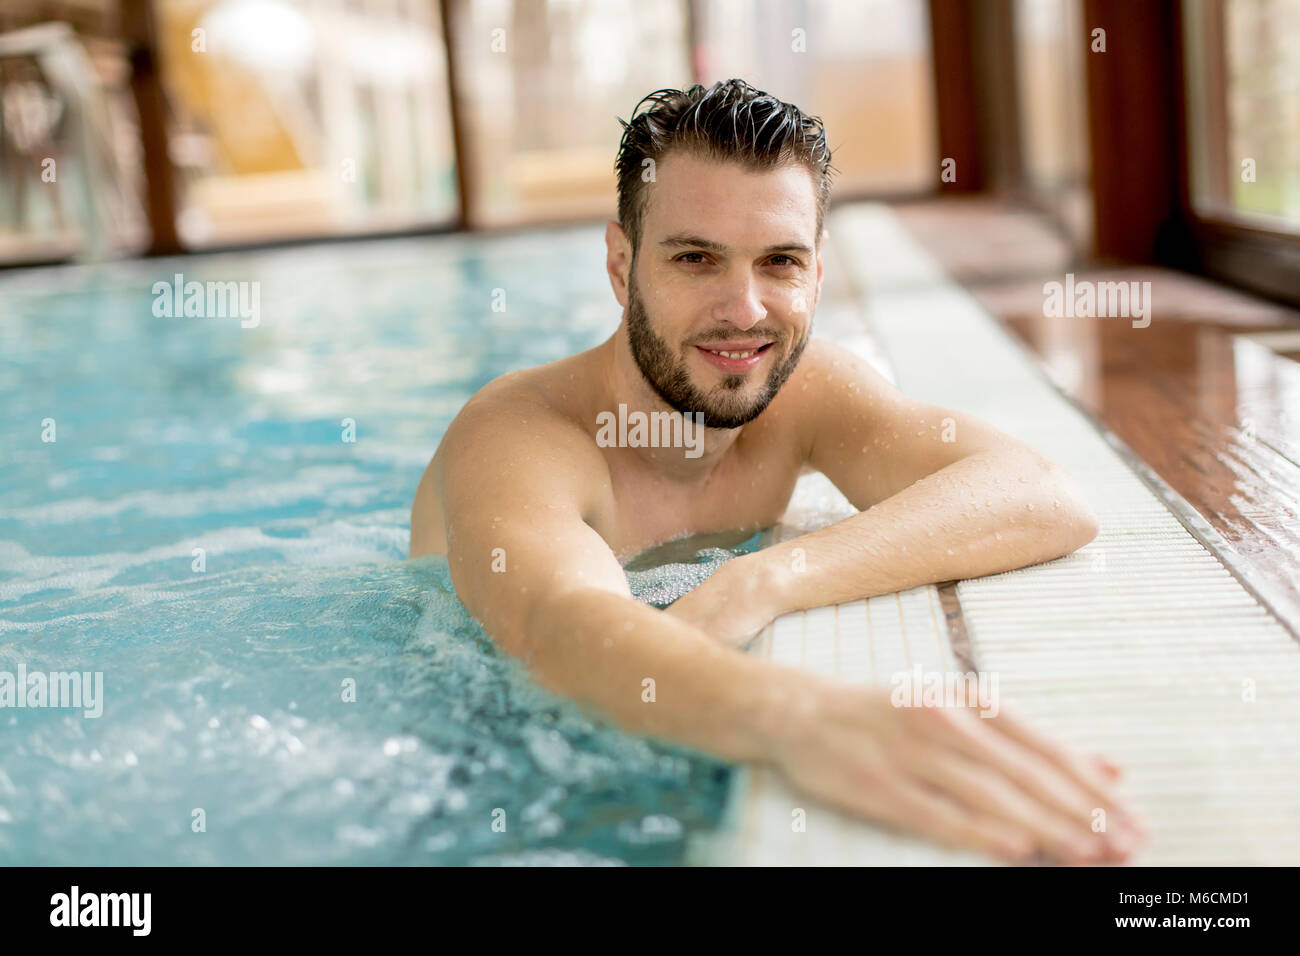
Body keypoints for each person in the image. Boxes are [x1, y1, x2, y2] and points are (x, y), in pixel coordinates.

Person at [410, 79, 1146, 864]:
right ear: (622, 269)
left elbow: (1043, 493)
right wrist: (801, 719)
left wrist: (760, 579)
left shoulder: (804, 391)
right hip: (491, 768)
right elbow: (554, 630)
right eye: (696, 258)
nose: (746, 309)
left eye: (780, 262)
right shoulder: (521, 434)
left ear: (818, 273)